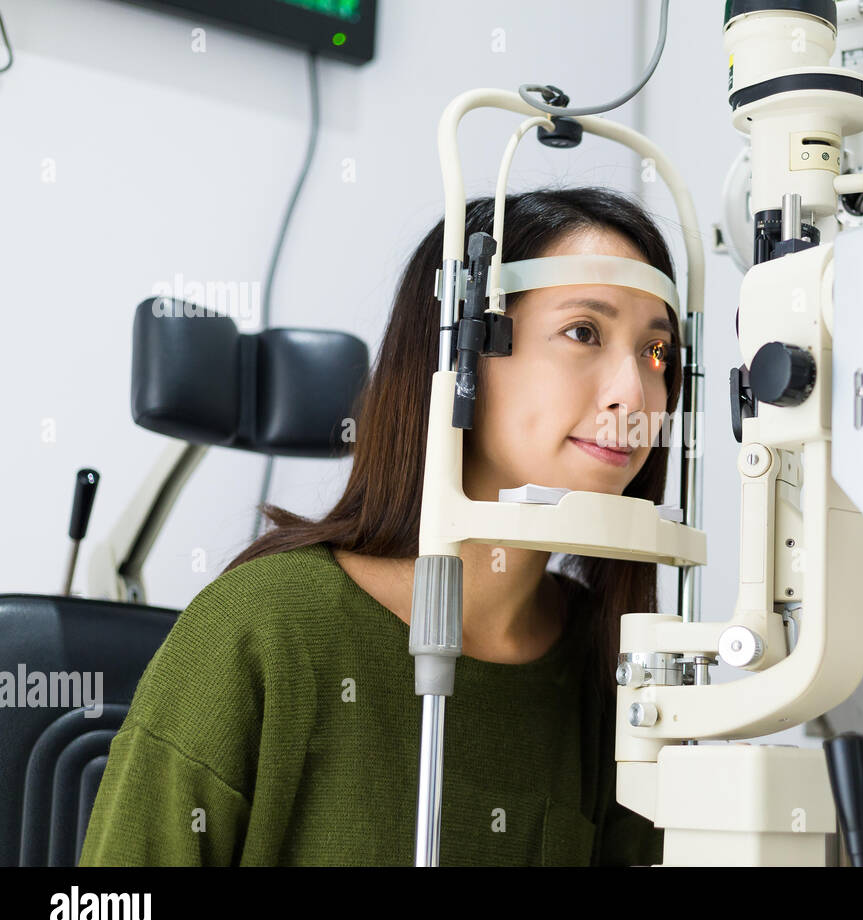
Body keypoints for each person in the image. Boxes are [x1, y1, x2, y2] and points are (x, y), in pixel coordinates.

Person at [79, 186, 683, 866]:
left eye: (656, 354)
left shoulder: (609, 664)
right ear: (460, 358)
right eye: (583, 333)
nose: (633, 396)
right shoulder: (262, 629)